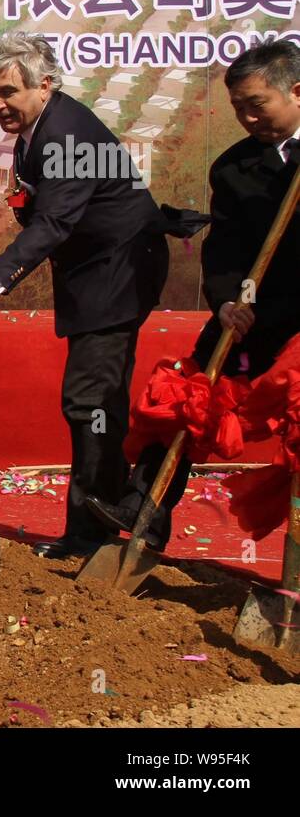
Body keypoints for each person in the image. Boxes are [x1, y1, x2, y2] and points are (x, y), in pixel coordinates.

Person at [0, 33, 192, 560]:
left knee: (90, 400)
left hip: (120, 270)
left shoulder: (65, 136)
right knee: (95, 402)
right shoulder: (42, 125)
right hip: (94, 270)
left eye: (8, 92)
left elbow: (54, 224)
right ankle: (117, 513)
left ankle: (100, 526)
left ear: (44, 84)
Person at [87, 39, 300, 549]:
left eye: (257, 104)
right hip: (258, 309)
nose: (247, 118)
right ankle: (144, 508)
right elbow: (225, 250)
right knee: (188, 395)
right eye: (239, 108)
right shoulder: (233, 168)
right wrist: (227, 300)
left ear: (296, 91)